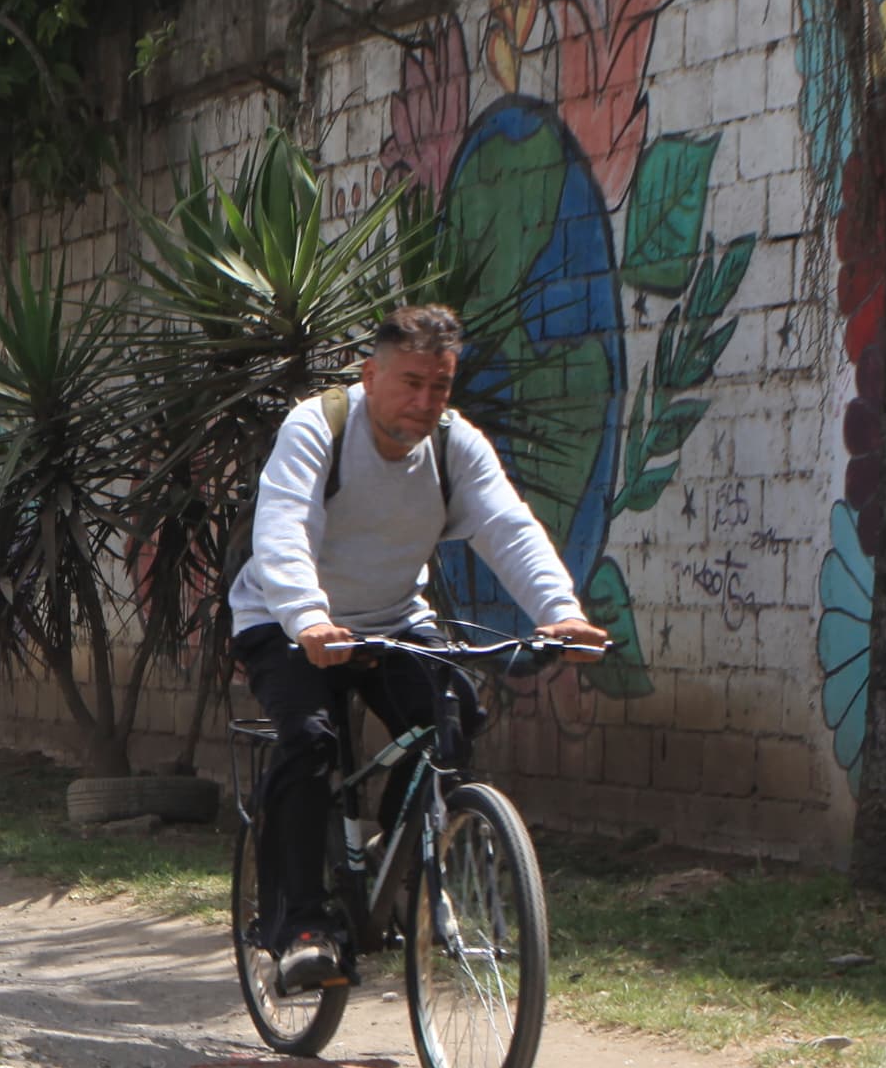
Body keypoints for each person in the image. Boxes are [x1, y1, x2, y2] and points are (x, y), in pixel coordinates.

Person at [226, 304, 606, 994]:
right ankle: (299, 926)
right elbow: (282, 529)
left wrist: (561, 614)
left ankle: (390, 853)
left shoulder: (456, 445)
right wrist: (309, 618)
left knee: (454, 720)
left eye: (440, 385)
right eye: (410, 382)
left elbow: (507, 526)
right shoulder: (319, 428)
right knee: (309, 741)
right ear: (370, 375)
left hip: (394, 618)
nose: (426, 401)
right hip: (284, 622)